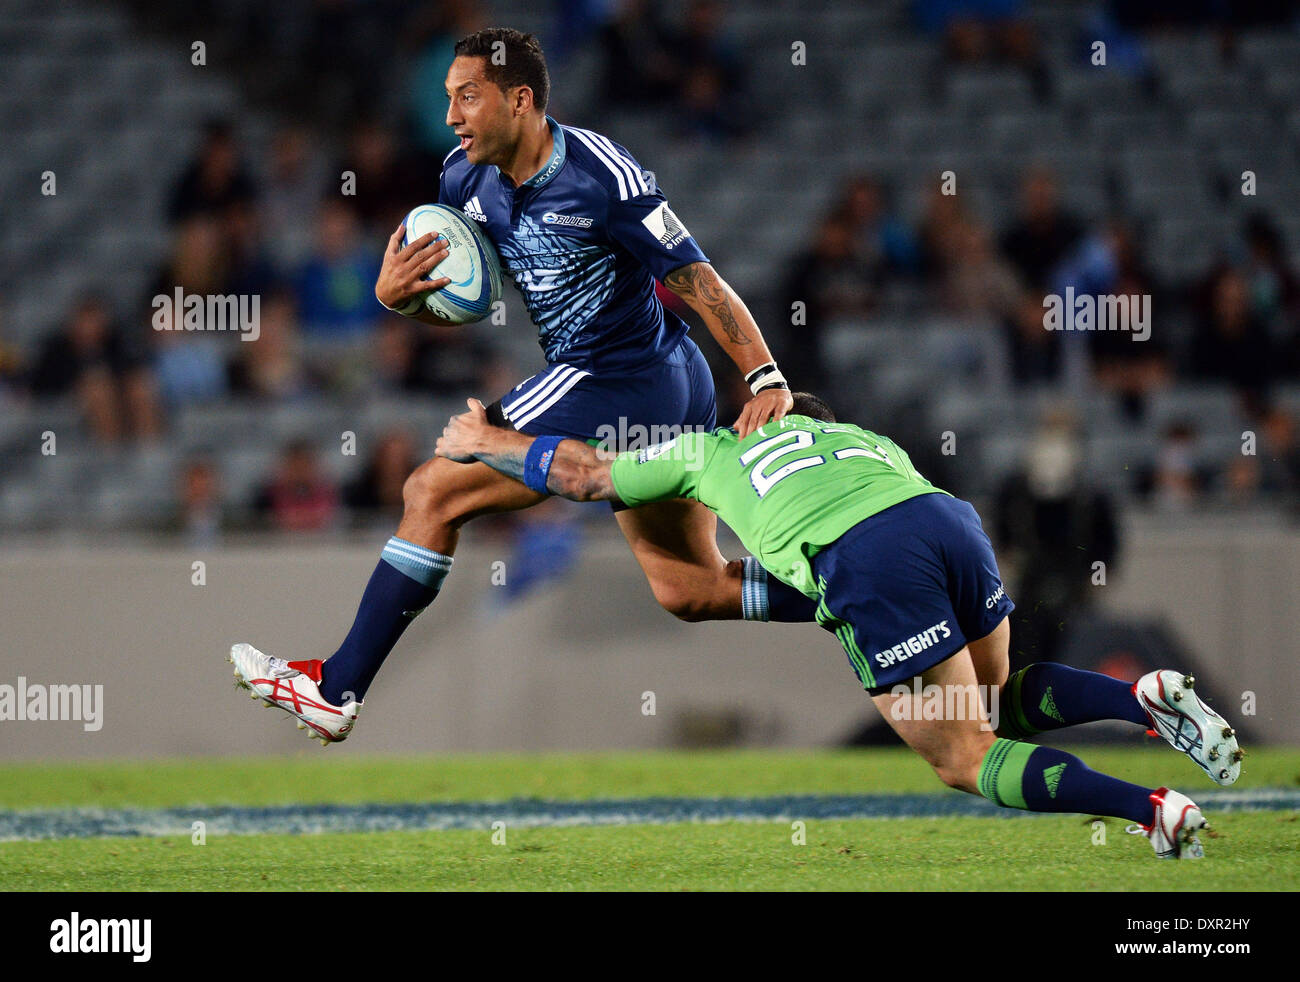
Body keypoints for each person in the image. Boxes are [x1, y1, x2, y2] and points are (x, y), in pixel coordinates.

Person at [229, 28, 810, 744]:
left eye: (468, 97)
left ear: (521, 99)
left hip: (624, 378)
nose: (451, 117)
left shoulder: (604, 176)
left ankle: (335, 687)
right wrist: (397, 296)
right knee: (689, 589)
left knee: (429, 491)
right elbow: (456, 299)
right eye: (448, 99)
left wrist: (764, 375)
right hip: (646, 379)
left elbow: (697, 278)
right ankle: (854, 594)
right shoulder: (461, 180)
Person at [430, 391, 1244, 859]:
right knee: (996, 704)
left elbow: (585, 476)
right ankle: (1141, 699)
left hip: (868, 557)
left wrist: (486, 440)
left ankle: (1152, 810)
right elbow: (886, 518)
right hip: (944, 520)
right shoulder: (855, 434)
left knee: (964, 760)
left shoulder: (708, 450)